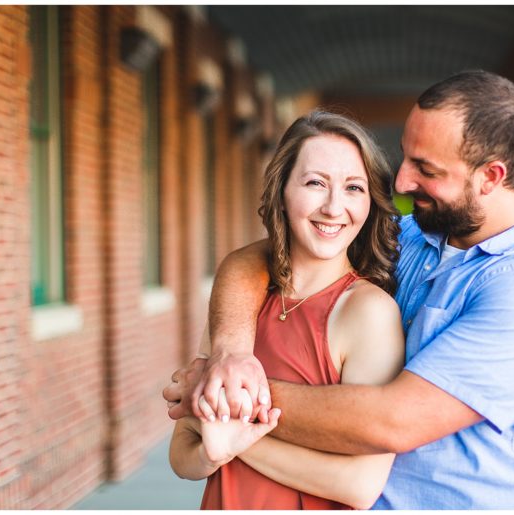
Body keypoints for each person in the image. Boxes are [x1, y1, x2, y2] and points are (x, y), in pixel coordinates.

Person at [164, 70, 514, 509]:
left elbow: (394, 422)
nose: (402, 182)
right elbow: (259, 256)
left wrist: (223, 395)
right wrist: (231, 355)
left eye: (426, 169)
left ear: (491, 176)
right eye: (405, 157)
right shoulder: (412, 234)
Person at [167, 111, 405, 509]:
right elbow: (182, 455)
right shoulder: (238, 306)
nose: (333, 207)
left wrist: (234, 441)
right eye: (315, 183)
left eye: (353, 188)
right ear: (281, 191)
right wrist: (211, 453)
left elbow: (359, 485)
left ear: (370, 202)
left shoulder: (369, 313)